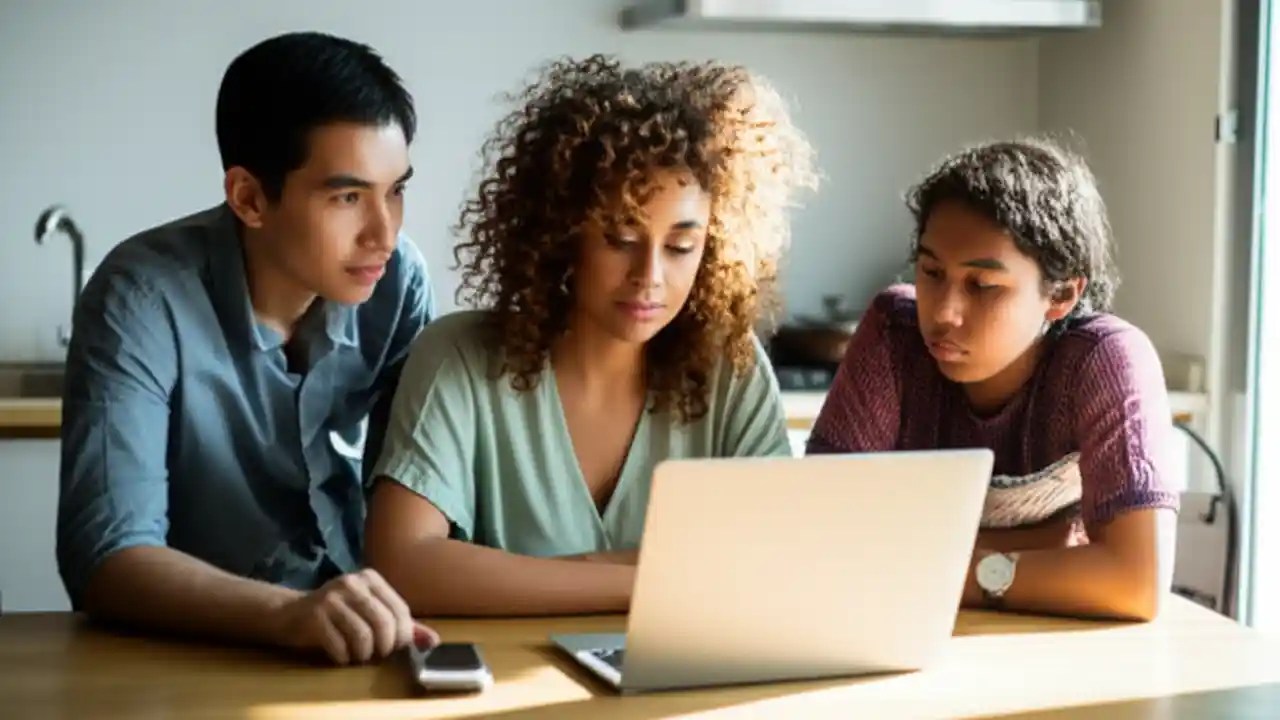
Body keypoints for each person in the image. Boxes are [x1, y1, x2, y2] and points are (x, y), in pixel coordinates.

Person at [364, 55, 818, 616]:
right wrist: (650, 578)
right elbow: (403, 566)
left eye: (681, 246)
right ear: (562, 234)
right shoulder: (458, 358)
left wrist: (558, 577)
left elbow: (778, 560)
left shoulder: (732, 367)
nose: (649, 276)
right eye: (621, 238)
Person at [57, 31, 440, 664]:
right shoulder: (140, 297)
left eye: (395, 190)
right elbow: (106, 558)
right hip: (194, 656)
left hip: (371, 642)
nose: (384, 232)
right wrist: (292, 613)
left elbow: (415, 506)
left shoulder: (398, 282)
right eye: (348, 196)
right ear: (250, 198)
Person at [807, 138, 1179, 621]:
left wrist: (952, 567)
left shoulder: (1104, 359)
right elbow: (821, 538)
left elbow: (1136, 582)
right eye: (931, 272)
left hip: (1054, 650)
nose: (943, 312)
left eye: (983, 286)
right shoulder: (893, 333)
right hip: (907, 633)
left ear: (1061, 294)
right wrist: (1048, 548)